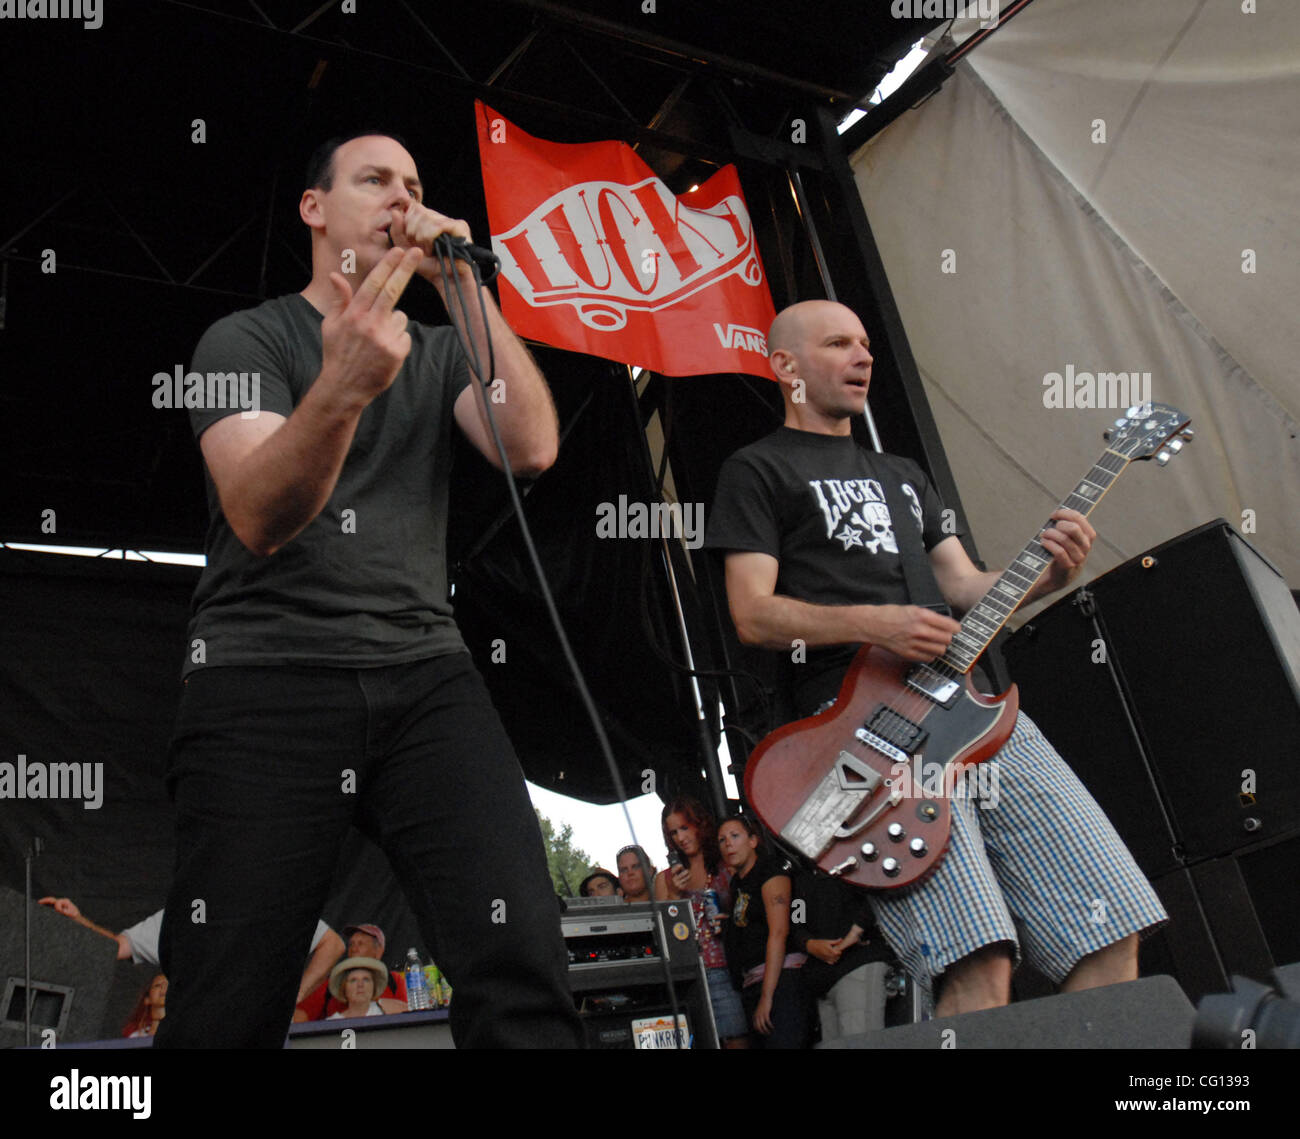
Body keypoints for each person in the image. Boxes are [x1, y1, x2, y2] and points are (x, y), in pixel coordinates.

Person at [154, 131, 580, 1049]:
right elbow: (261, 514)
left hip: (425, 669)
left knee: (521, 952)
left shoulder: (432, 349)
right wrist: (341, 386)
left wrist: (463, 283)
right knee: (227, 997)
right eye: (375, 179)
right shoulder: (247, 336)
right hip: (265, 677)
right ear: (315, 208)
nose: (403, 198)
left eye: (415, 184)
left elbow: (531, 443)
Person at [703, 299, 1168, 1018]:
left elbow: (964, 585)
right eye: (838, 344)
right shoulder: (755, 469)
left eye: (865, 343)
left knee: (1111, 927)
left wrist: (1049, 575)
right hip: (868, 734)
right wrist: (875, 623)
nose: (863, 356)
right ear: (785, 366)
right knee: (978, 958)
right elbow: (752, 611)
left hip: (983, 715)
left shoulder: (903, 474)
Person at [38, 897, 344, 1008]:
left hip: (255, 1028)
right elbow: (117, 947)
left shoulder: (263, 901)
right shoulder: (181, 913)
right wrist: (78, 920)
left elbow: (332, 944)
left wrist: (293, 997)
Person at [652, 796, 748, 1047]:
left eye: (685, 828)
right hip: (688, 973)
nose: (681, 837)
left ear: (700, 825)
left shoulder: (727, 865)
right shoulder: (665, 879)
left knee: (737, 1039)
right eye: (674, 833)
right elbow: (664, 937)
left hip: (728, 967)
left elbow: (750, 913)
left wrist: (729, 920)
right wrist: (674, 895)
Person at [718, 815, 812, 1048]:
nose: (728, 843)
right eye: (721, 840)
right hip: (753, 982)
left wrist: (767, 996)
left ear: (753, 841)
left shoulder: (770, 871)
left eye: (735, 836)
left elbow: (779, 932)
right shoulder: (737, 884)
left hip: (781, 980)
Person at [294, 922, 406, 1022]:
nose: (354, 948)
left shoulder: (394, 980)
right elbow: (302, 1015)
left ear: (378, 951)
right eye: (351, 944)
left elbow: (410, 1015)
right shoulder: (329, 984)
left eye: (361, 944)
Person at [324, 957, 408, 1019]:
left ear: (373, 986)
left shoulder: (387, 1008)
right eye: (353, 980)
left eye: (366, 979)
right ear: (344, 988)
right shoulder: (333, 1022)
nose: (360, 985)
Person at [123, 973, 168, 1038]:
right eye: (158, 985)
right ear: (147, 999)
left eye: (168, 985)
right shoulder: (135, 1037)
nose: (164, 988)